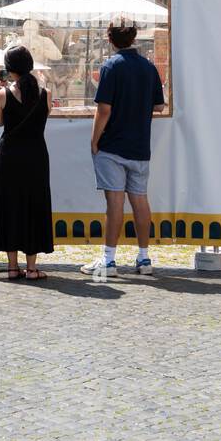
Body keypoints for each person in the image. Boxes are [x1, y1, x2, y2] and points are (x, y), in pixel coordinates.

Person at [81, 18, 165, 278]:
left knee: (114, 201)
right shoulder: (149, 68)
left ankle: (108, 260)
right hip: (139, 145)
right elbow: (159, 106)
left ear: (109, 38)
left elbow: (104, 109)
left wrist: (95, 140)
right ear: (134, 37)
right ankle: (144, 257)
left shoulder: (111, 66)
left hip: (113, 145)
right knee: (140, 200)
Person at [0, 45, 54, 280]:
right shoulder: (45, 93)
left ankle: (12, 267)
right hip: (36, 156)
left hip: (8, 157)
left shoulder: (3, 94)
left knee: (9, 208)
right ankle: (32, 268)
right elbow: (45, 116)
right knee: (34, 207)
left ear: (9, 68)